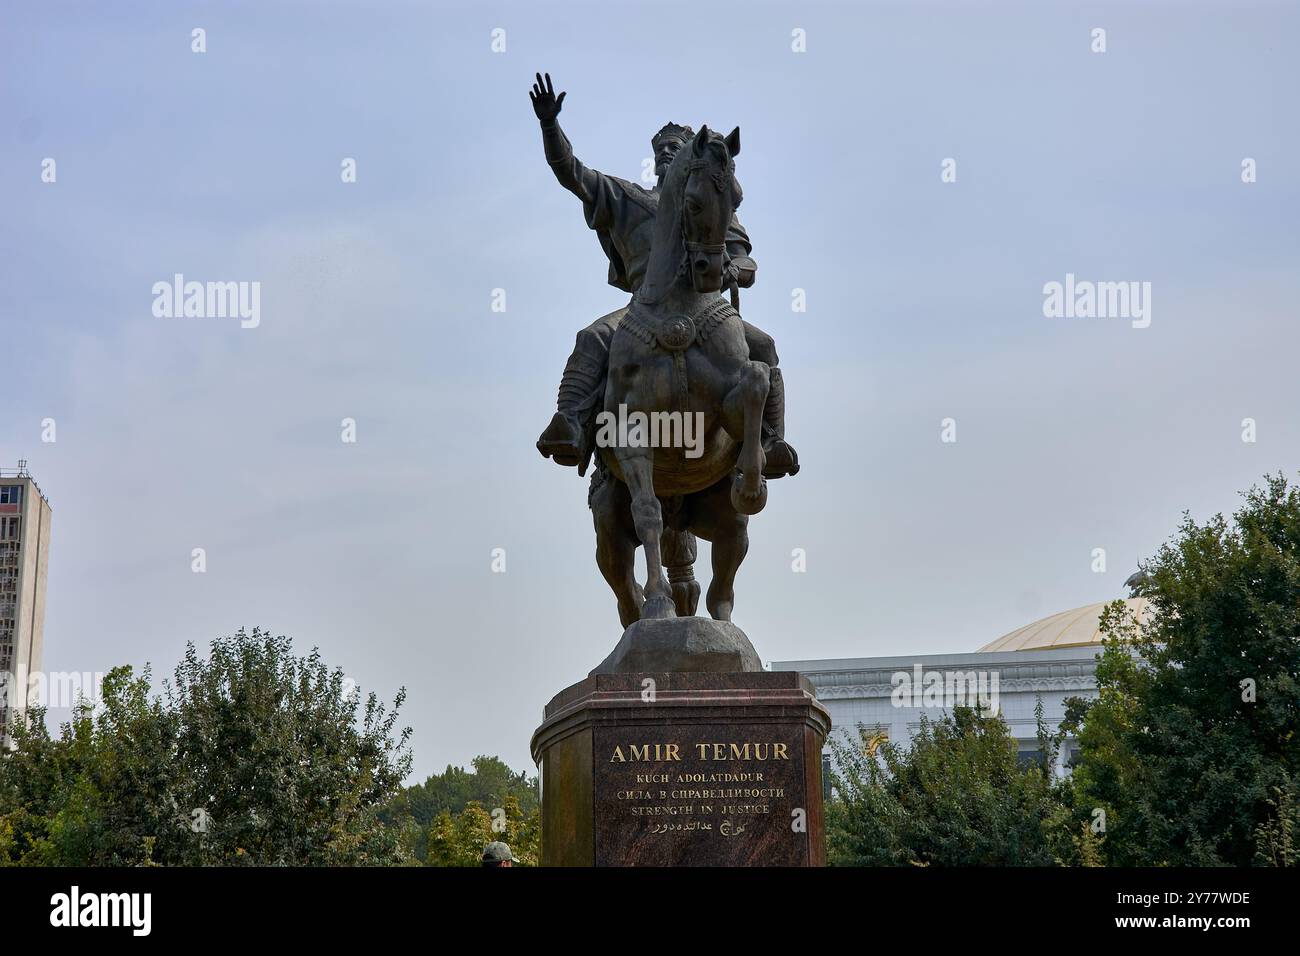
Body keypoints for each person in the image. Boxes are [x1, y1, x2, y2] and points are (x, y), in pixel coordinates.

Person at [529, 72, 798, 480]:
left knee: (764, 346)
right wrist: (550, 125)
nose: (666, 155)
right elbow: (572, 173)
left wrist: (733, 267)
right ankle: (571, 424)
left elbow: (746, 262)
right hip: (644, 309)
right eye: (660, 150)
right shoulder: (627, 199)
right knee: (592, 337)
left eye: (676, 148)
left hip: (708, 310)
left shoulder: (710, 203)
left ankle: (771, 440)